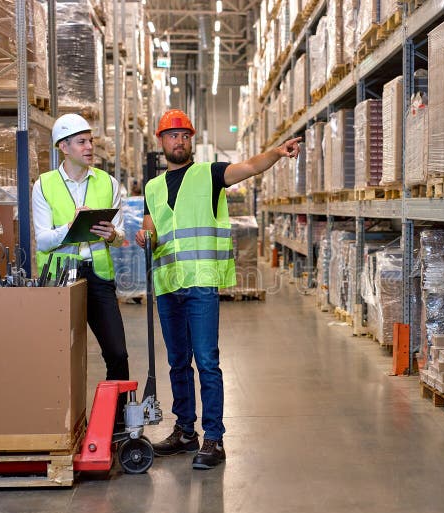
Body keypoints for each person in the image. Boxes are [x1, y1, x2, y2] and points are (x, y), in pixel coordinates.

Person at [135, 109, 300, 469]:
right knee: (178, 362)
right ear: (161, 141)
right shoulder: (152, 187)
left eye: (184, 135)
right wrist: (144, 236)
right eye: (172, 135)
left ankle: (214, 437)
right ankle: (184, 431)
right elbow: (151, 229)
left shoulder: (209, 174)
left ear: (190, 140)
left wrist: (276, 152)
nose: (179, 140)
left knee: (207, 361)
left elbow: (250, 167)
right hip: (168, 284)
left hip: (202, 284)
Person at [32, 113, 129, 424]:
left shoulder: (109, 183)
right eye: (81, 142)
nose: (90, 147)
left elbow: (121, 235)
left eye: (91, 141)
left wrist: (113, 235)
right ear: (63, 146)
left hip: (99, 277)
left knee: (117, 354)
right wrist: (70, 227)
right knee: (60, 357)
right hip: (62, 280)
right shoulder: (44, 186)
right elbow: (44, 240)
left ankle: (117, 425)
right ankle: (61, 424)